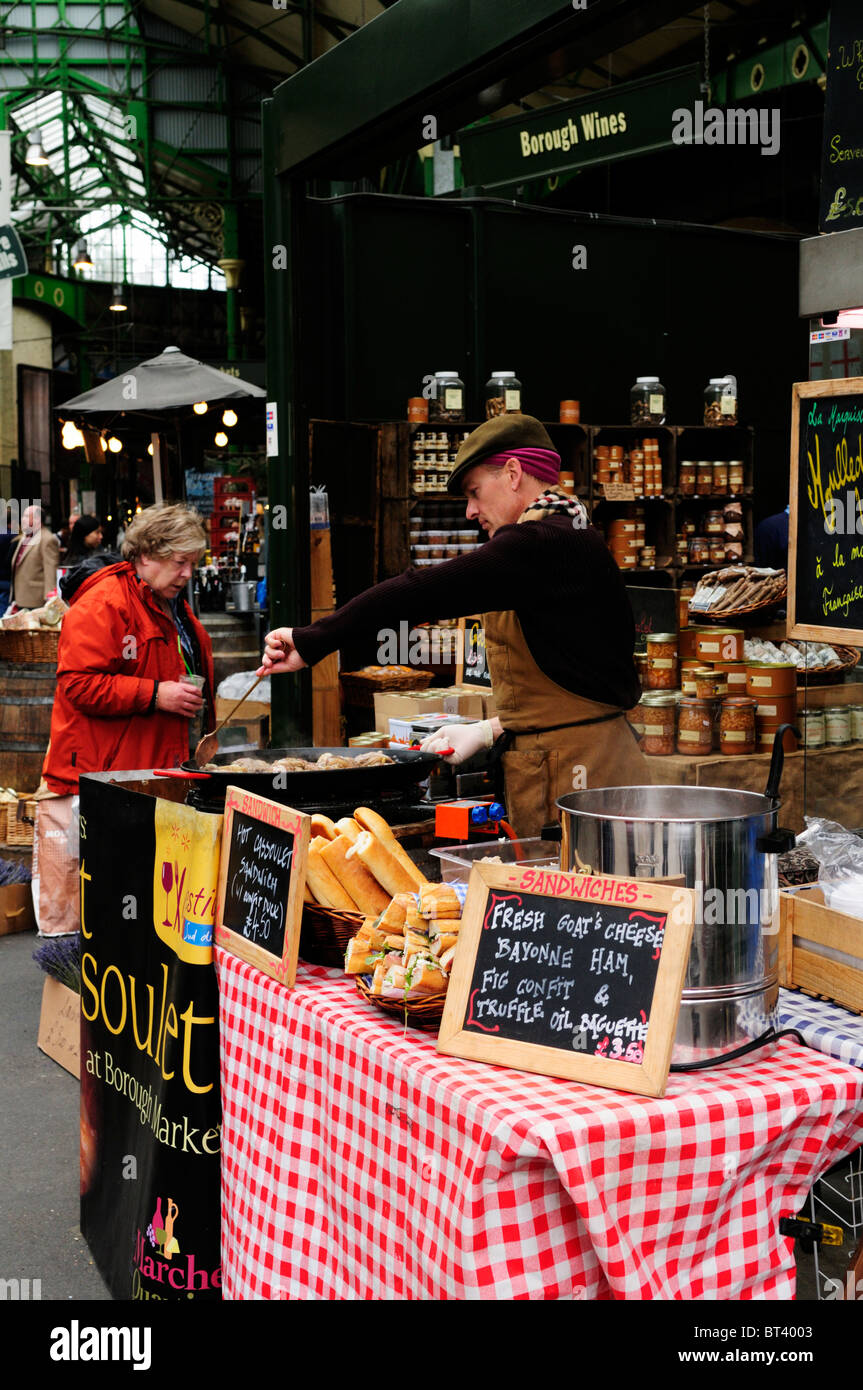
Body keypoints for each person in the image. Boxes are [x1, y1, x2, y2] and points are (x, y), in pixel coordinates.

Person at [259, 414, 650, 838]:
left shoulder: (539, 543)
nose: (470, 511)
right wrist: (487, 729)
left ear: (514, 473)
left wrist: (313, 638)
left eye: (474, 492)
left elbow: (421, 590)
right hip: (584, 760)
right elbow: (581, 682)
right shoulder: (571, 532)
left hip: (579, 774)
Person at [35, 503, 215, 934]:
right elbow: (77, 684)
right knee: (100, 916)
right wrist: (157, 694)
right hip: (104, 777)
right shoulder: (104, 602)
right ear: (146, 555)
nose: (188, 573)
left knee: (139, 911)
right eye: (180, 563)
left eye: (193, 563)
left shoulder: (168, 602)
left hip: (151, 772)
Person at [10, 504, 60, 612]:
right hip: (20, 596)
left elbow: (50, 570)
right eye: (23, 516)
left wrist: (50, 598)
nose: (22, 519)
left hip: (36, 600)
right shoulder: (24, 536)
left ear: (38, 519)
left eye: (27, 516)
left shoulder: (47, 539)